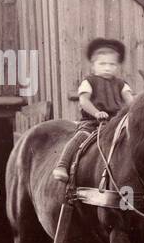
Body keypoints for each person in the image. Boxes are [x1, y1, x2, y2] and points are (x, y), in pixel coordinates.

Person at [53, 37, 135, 183]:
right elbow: (84, 101)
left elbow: (131, 101)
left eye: (112, 64)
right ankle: (62, 165)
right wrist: (97, 113)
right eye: (102, 64)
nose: (107, 67)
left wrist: (134, 111)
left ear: (117, 66)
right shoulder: (89, 81)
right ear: (94, 66)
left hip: (115, 123)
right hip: (93, 121)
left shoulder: (121, 84)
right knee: (81, 136)